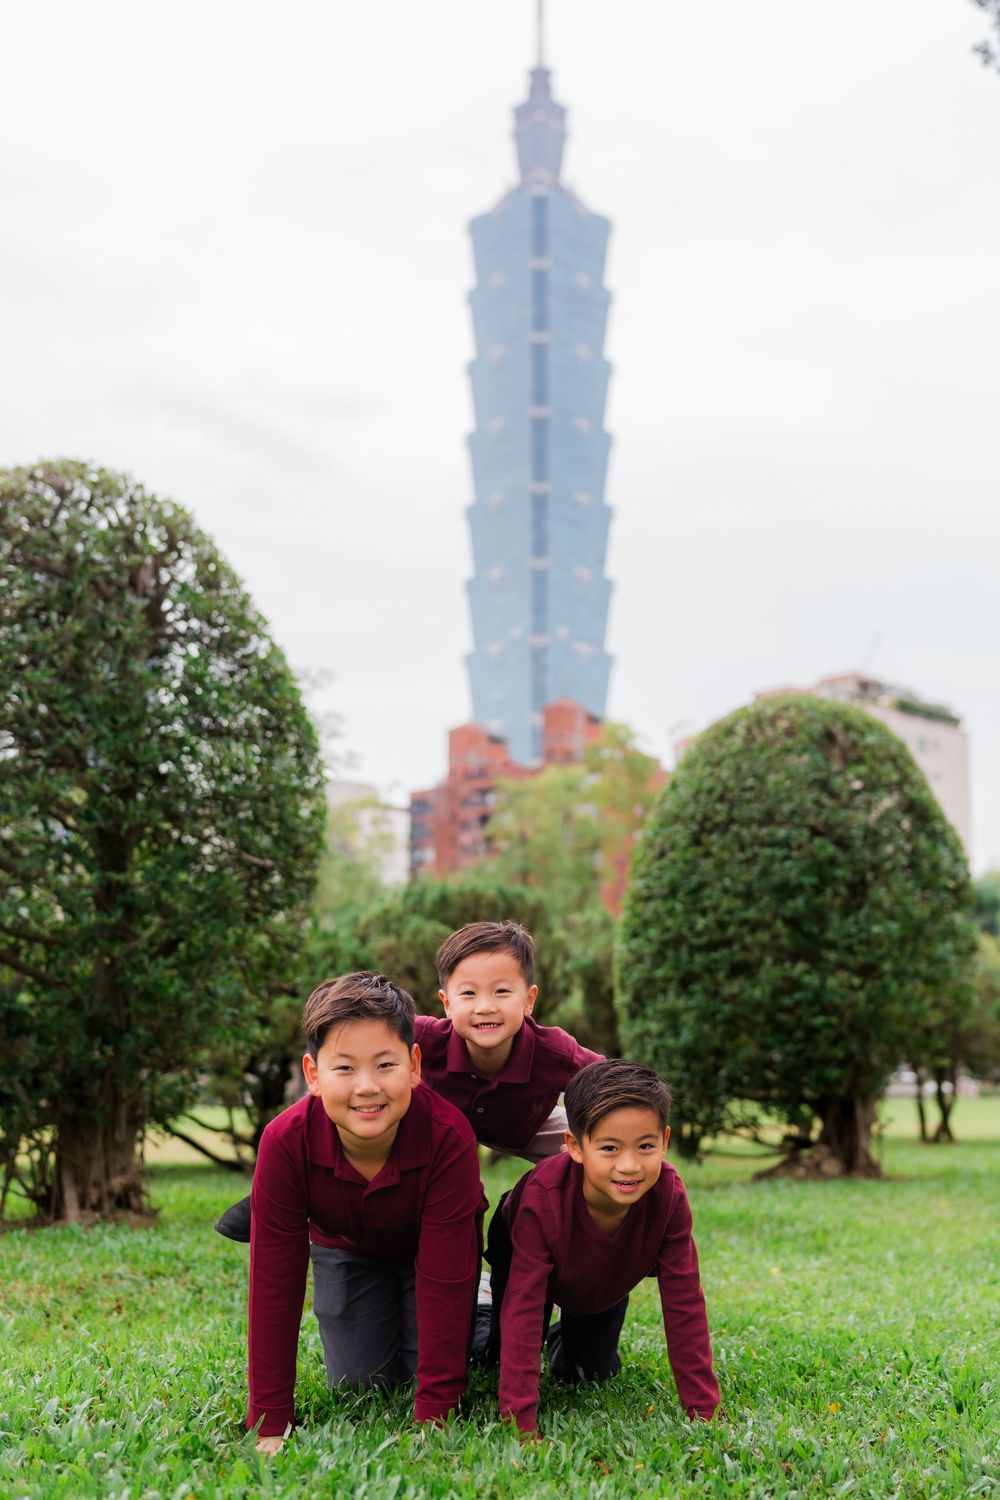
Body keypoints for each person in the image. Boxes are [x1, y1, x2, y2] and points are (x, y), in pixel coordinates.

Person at [215, 920, 602, 1242]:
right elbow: (348, 1066)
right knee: (350, 1094)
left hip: (524, 1124)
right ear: (447, 1002)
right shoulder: (423, 1036)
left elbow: (613, 1085)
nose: (485, 1006)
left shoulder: (554, 1050)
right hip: (435, 1125)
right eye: (469, 993)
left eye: (502, 992)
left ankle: (646, 1205)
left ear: (528, 999)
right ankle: (264, 1195)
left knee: (603, 1145)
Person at [245, 971, 483, 1453]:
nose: (368, 1087)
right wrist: (270, 1421)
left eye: (385, 1065)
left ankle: (484, 1305)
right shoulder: (284, 1140)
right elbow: (275, 1283)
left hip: (434, 1255)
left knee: (448, 1359)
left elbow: (442, 1280)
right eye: (345, 1068)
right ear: (313, 1075)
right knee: (360, 1383)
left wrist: (435, 1415)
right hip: (347, 1249)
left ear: (415, 1065)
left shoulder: (449, 1136)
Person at [478, 1058, 721, 1436]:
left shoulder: (668, 1195)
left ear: (664, 1142)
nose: (629, 1165)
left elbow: (684, 1302)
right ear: (575, 1147)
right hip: (521, 1254)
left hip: (602, 1271)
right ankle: (483, 1302)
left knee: (588, 1372)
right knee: (496, 1353)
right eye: (609, 1148)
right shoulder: (542, 1199)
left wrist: (703, 1410)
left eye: (645, 1146)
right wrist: (520, 1422)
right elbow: (523, 1309)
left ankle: (567, 1332)